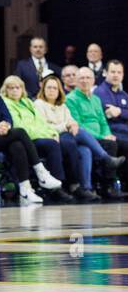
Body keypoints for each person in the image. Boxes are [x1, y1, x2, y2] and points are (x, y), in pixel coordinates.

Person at [0, 65, 65, 205]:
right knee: (20, 132)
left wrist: (6, 125)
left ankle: (26, 189)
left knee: (17, 145)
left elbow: (7, 117)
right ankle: (41, 172)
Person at [35, 73, 121, 202]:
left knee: (84, 150)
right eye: (49, 88)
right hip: (52, 138)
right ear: (43, 89)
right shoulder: (39, 104)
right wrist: (67, 125)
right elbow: (44, 126)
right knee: (78, 133)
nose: (52, 91)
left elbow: (71, 120)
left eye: (54, 88)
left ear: (59, 91)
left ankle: (85, 187)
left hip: (66, 135)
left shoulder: (62, 105)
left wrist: (72, 124)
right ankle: (105, 158)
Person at [0, 75, 73, 203]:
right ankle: (54, 189)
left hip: (38, 135)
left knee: (61, 142)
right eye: (11, 88)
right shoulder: (6, 103)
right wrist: (46, 135)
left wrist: (52, 133)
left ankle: (62, 184)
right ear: (6, 90)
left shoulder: (27, 101)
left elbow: (41, 122)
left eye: (18, 87)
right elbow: (19, 126)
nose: (15, 90)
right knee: (51, 145)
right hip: (25, 139)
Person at [94, 58, 128, 143]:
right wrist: (123, 112)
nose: (116, 75)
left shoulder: (124, 94)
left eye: (119, 72)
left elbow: (116, 112)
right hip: (111, 131)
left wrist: (119, 111)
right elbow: (110, 113)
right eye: (113, 72)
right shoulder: (100, 91)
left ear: (123, 75)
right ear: (105, 73)